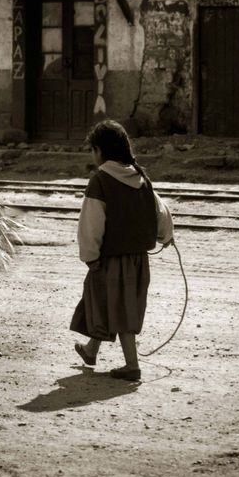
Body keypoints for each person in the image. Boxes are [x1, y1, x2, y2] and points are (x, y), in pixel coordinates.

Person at [70, 119, 174, 381]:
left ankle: (132, 366)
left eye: (92, 150)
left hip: (111, 259)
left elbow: (91, 224)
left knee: (119, 306)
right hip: (139, 260)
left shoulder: (100, 181)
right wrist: (166, 236)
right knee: (107, 302)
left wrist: (90, 256)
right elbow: (160, 212)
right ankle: (92, 350)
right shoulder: (141, 178)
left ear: (100, 151)